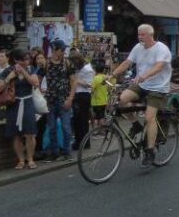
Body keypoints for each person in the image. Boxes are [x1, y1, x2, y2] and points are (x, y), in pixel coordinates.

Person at [109, 24, 172, 166]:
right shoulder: (138, 48)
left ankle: (150, 151)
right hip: (142, 85)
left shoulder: (162, 49)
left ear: (151, 35)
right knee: (121, 101)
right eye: (138, 34)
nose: (140, 37)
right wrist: (112, 75)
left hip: (158, 87)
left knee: (150, 118)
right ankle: (135, 124)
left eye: (143, 34)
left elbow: (159, 66)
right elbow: (127, 62)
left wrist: (144, 75)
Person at [0, 48, 40, 169]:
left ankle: (30, 159)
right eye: (23, 60)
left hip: (28, 101)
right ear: (16, 60)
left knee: (30, 133)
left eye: (27, 59)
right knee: (16, 135)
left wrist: (24, 73)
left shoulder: (31, 69)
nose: (26, 62)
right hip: (14, 103)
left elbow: (35, 83)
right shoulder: (7, 71)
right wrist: (9, 77)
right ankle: (21, 160)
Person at [43, 39, 76, 162]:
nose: (63, 52)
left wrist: (70, 98)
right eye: (62, 50)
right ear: (55, 50)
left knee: (66, 127)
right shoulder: (46, 64)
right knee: (51, 128)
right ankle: (54, 153)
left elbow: (73, 81)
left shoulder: (67, 63)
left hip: (64, 99)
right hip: (50, 100)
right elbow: (38, 78)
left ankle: (67, 152)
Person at [70, 53, 94, 150]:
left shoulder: (87, 70)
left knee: (82, 120)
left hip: (83, 95)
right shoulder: (80, 69)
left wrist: (76, 80)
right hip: (78, 94)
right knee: (77, 120)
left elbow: (89, 85)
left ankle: (83, 142)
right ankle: (79, 141)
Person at [90, 61, 108, 131]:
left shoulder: (95, 78)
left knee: (97, 118)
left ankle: (99, 131)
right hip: (104, 101)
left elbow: (92, 90)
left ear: (95, 70)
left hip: (96, 102)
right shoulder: (106, 78)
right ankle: (102, 131)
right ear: (103, 70)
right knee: (102, 117)